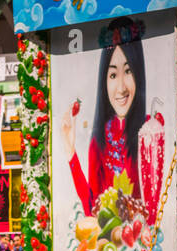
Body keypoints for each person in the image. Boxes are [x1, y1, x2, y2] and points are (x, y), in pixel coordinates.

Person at [61, 18, 147, 215]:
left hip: (143, 242)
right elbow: (92, 209)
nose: (121, 87)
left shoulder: (149, 132)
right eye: (113, 75)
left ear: (138, 73)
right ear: (104, 80)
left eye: (128, 71)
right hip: (110, 242)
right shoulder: (99, 140)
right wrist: (70, 151)